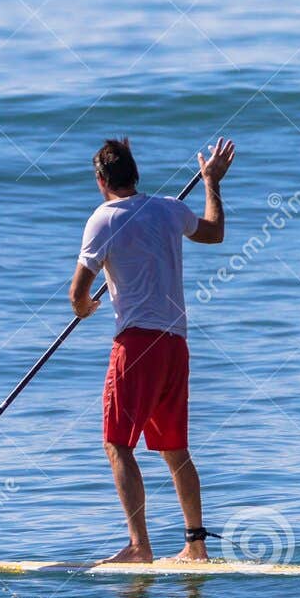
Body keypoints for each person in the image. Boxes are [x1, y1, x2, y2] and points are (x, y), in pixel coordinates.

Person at [68, 137, 235, 563]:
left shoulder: (102, 219)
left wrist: (84, 308)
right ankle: (195, 546)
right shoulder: (168, 208)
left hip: (136, 345)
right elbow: (214, 233)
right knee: (174, 448)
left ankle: (140, 547)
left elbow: (78, 293)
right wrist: (211, 182)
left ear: (101, 180)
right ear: (135, 175)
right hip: (175, 345)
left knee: (117, 445)